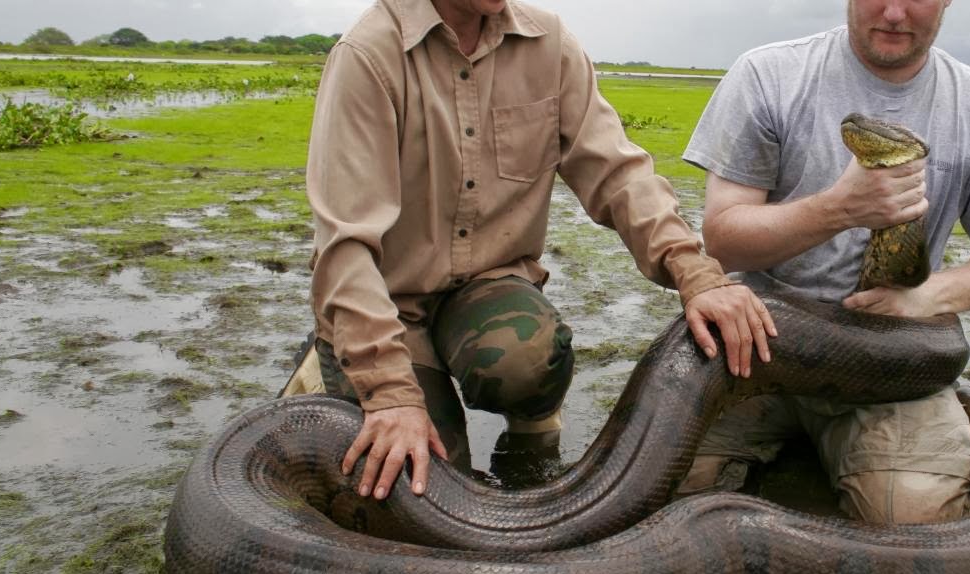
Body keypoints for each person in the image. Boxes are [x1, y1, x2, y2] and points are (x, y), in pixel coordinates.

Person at [302, 0, 777, 503]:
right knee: (424, 490)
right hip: (387, 302)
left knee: (528, 362)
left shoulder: (548, 42)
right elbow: (346, 244)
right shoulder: (369, 53)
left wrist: (696, 273)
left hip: (485, 287)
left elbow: (619, 176)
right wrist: (390, 395)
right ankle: (331, 370)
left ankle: (529, 413)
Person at [677, 0, 970, 523]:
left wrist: (928, 297)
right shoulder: (769, 74)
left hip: (889, 356)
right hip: (759, 342)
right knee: (668, 487)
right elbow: (722, 240)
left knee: (914, 524)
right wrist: (839, 209)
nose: (894, 12)